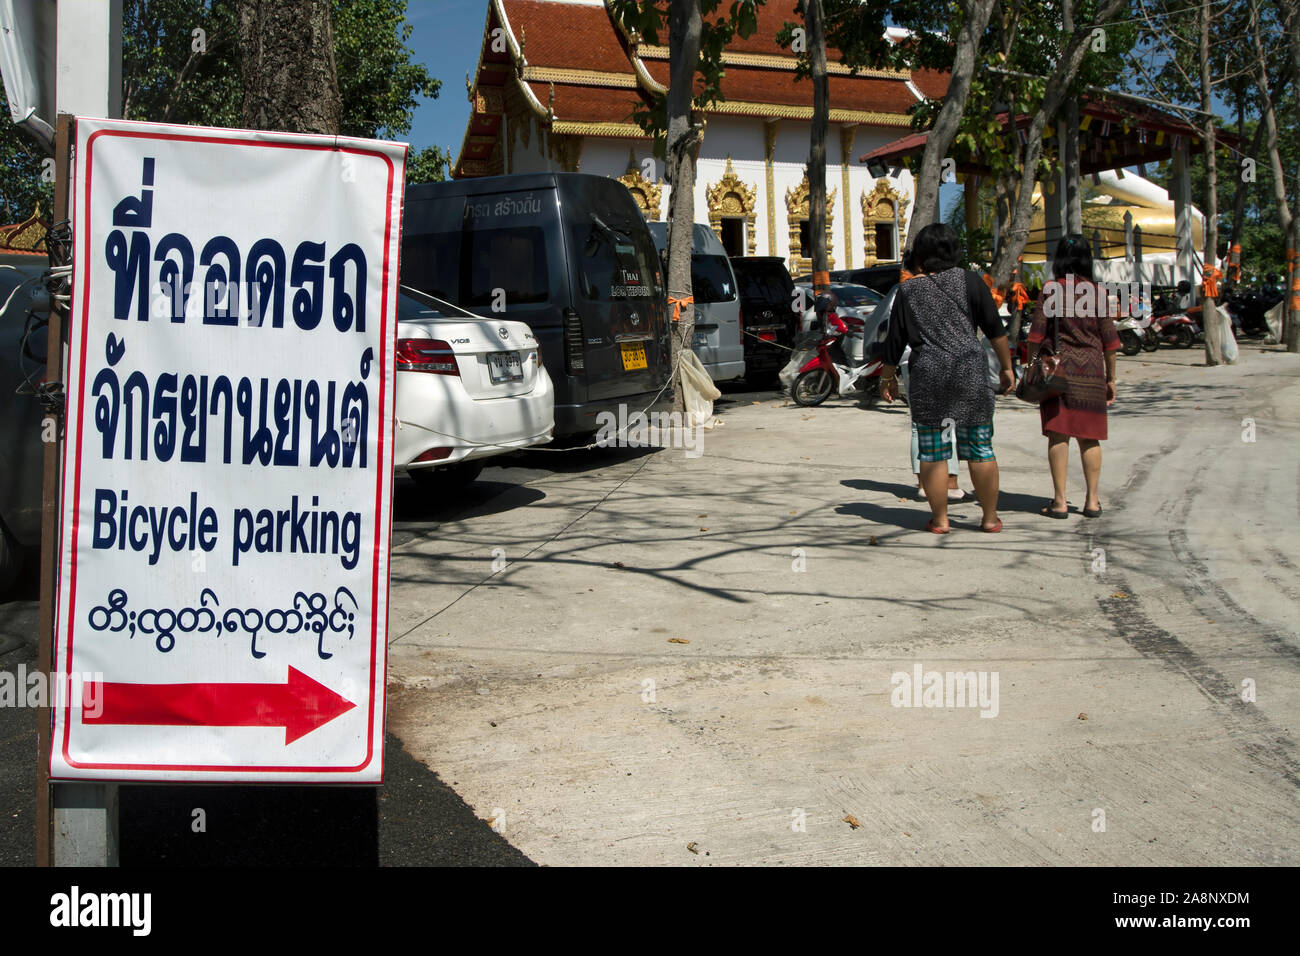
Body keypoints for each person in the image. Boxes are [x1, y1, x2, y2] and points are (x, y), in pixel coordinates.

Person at [880, 224, 1015, 533]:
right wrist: (1007, 368)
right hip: (970, 372)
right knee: (980, 447)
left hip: (929, 374)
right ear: (955, 251)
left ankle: (940, 520)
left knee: (933, 449)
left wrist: (886, 379)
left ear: (921, 255)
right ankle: (990, 518)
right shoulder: (971, 281)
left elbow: (894, 341)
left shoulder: (908, 290)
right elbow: (995, 329)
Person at [1027, 235, 1120, 519]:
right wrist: (1111, 379)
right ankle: (1092, 501)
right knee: (1090, 437)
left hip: (1059, 371)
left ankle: (1060, 502)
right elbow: (1111, 343)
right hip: (1092, 371)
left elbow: (1036, 334)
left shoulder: (1052, 290)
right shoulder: (1098, 293)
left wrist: (1031, 364)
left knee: (1059, 435)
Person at [897, 249, 965, 502]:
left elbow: (893, 333)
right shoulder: (947, 289)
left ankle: (923, 484)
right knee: (948, 423)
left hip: (915, 362)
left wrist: (886, 373)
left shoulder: (903, 291)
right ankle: (951, 482)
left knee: (920, 427)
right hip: (948, 361)